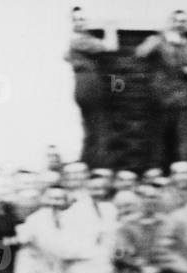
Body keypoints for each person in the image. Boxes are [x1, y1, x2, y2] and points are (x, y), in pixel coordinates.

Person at [136, 10, 187, 168]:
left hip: (182, 98)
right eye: (177, 21)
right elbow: (140, 53)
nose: (180, 24)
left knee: (184, 139)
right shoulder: (159, 41)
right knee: (157, 138)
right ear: (171, 23)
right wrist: (160, 37)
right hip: (160, 98)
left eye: (183, 21)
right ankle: (156, 172)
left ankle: (184, 172)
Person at [65, 7, 117, 167]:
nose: (80, 23)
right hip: (89, 84)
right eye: (77, 19)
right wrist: (110, 28)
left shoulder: (81, 39)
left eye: (82, 19)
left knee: (91, 128)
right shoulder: (80, 39)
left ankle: (89, 163)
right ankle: (100, 166)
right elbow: (111, 46)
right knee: (100, 127)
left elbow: (66, 56)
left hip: (83, 84)